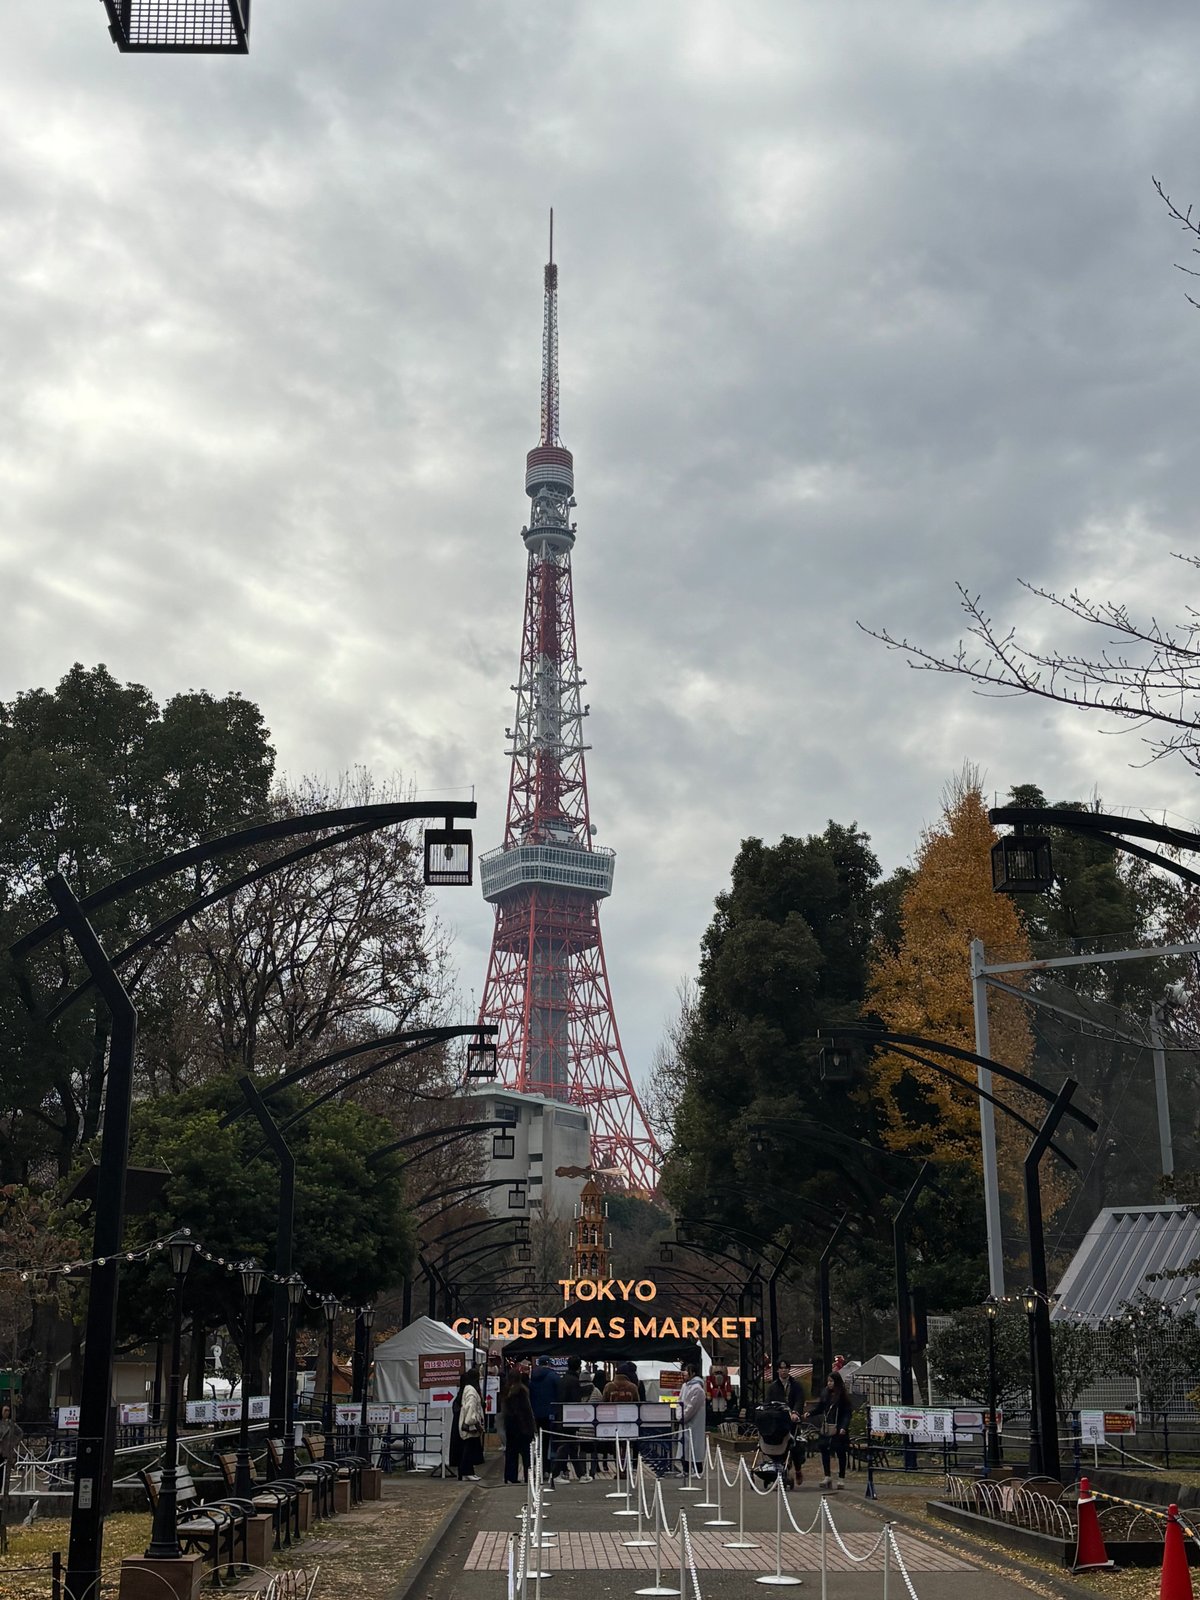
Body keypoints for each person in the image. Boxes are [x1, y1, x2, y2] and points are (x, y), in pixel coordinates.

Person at [809, 1370, 852, 1491]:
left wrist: (843, 1426)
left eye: (832, 1381)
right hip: (827, 1427)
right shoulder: (825, 1394)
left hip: (838, 1428)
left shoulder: (842, 1396)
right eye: (828, 1381)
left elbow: (847, 1413)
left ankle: (841, 1477)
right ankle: (827, 1475)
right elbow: (820, 1408)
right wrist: (810, 1413)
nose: (829, 1384)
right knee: (824, 1449)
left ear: (837, 1382)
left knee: (840, 1452)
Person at [766, 1359, 806, 1486]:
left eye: (786, 1368)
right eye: (781, 1368)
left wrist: (795, 1412)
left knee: (795, 1445)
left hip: (792, 1421)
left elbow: (800, 1400)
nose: (784, 1370)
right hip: (778, 1422)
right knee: (778, 1446)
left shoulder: (796, 1385)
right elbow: (768, 1403)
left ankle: (798, 1469)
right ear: (778, 1370)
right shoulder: (773, 1387)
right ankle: (780, 1470)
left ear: (789, 1370)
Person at [552, 1356, 587, 1483]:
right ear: (578, 1367)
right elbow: (575, 1401)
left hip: (562, 1416)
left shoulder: (563, 1380)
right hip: (570, 1417)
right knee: (567, 1446)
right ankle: (555, 1474)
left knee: (570, 1446)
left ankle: (581, 1474)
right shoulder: (574, 1382)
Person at [501, 1369, 537, 1484]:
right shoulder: (521, 1391)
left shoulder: (506, 1391)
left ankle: (510, 1477)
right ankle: (529, 1476)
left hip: (510, 1427)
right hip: (523, 1427)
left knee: (511, 1453)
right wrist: (530, 1427)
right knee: (527, 1454)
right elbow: (526, 1411)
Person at [453, 1367, 486, 1482]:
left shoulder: (466, 1389)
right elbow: (470, 1407)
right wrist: (472, 1421)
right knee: (468, 1449)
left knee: (467, 1448)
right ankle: (467, 1472)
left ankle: (468, 1472)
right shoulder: (472, 1391)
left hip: (465, 1421)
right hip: (469, 1423)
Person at [529, 1355, 559, 1473]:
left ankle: (539, 1467)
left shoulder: (533, 1377)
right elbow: (558, 1393)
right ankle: (549, 1469)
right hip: (551, 1413)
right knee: (551, 1441)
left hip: (536, 1414)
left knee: (539, 1441)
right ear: (549, 1363)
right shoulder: (553, 1376)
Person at [678, 1358, 706, 1478]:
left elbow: (692, 1407)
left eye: (686, 1371)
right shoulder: (685, 1386)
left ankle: (698, 1470)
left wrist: (683, 1416)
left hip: (693, 1422)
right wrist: (680, 1415)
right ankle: (686, 1469)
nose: (684, 1373)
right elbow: (679, 1402)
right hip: (684, 1421)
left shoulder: (698, 1389)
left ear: (693, 1373)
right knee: (684, 1446)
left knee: (695, 1446)